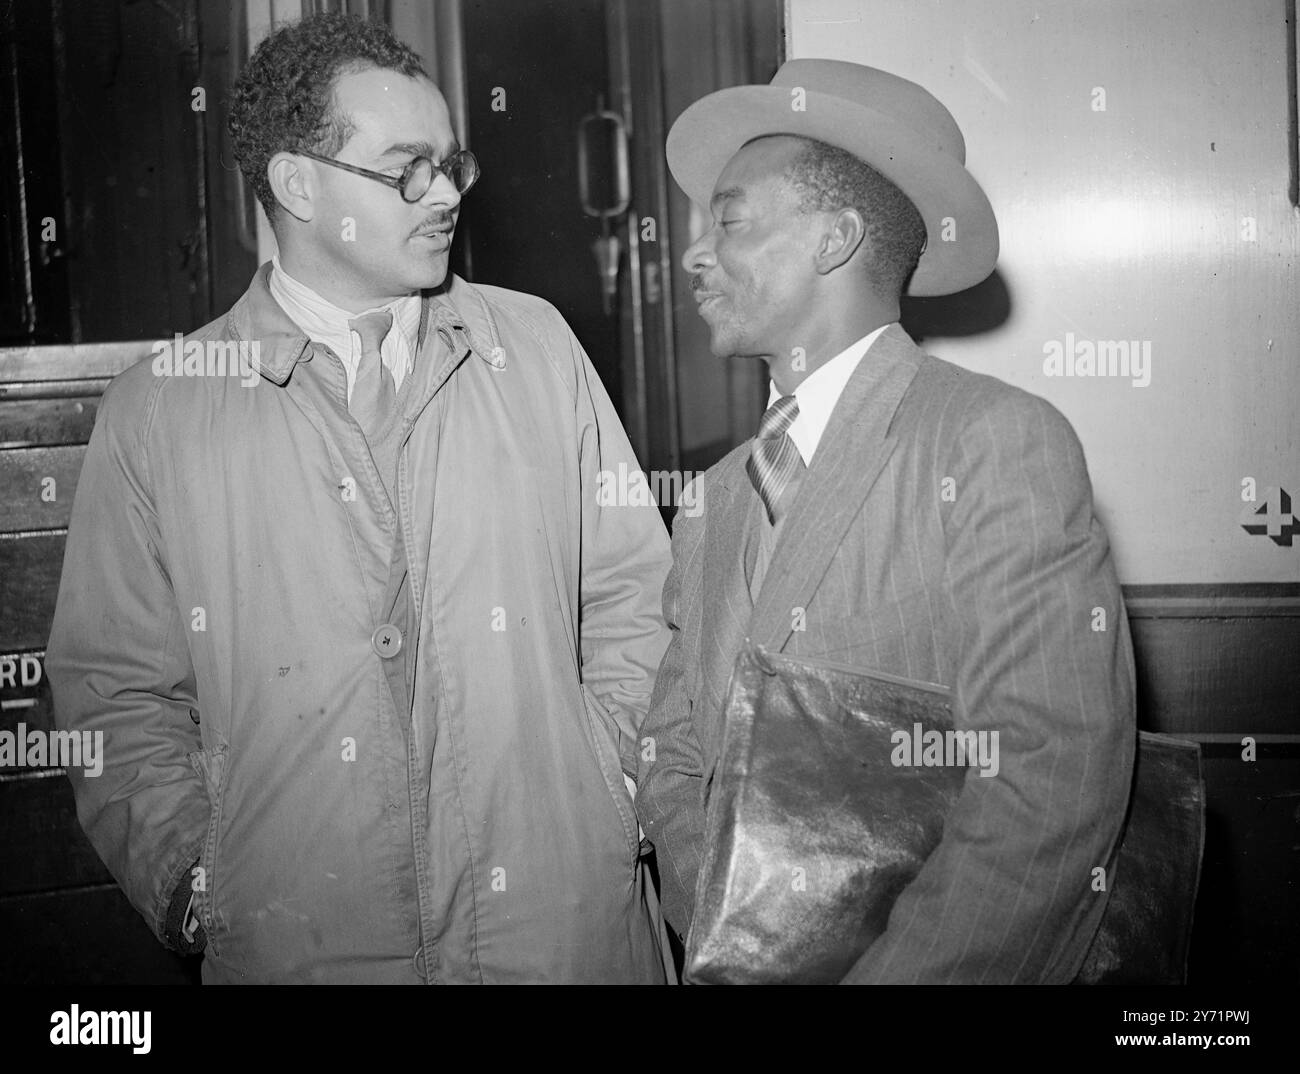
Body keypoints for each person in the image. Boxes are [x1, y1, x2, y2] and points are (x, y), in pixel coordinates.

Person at [46, 12, 672, 984]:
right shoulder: (162, 411)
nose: (449, 194)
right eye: (406, 169)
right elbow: (115, 694)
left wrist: (615, 786)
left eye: (452, 162)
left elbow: (638, 598)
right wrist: (200, 882)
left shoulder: (535, 346)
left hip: (563, 939)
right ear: (298, 184)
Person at [635, 59, 1137, 984]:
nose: (695, 254)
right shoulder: (713, 498)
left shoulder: (992, 441)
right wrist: (726, 932)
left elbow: (1045, 785)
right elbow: (675, 748)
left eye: (731, 221)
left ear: (836, 238)